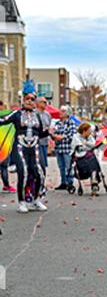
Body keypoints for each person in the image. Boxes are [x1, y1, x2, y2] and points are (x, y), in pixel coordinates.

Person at [0, 81, 48, 213]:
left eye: (33, 99)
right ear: (23, 100)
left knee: (40, 172)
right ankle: (22, 202)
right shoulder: (16, 114)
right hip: (20, 148)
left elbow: (42, 132)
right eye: (27, 98)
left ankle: (36, 200)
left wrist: (50, 132)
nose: (30, 101)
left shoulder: (38, 115)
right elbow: (3, 120)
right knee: (24, 173)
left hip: (35, 148)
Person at [71, 122, 102, 195]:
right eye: (89, 131)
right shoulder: (76, 137)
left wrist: (86, 144)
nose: (90, 132)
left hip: (89, 158)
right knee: (92, 160)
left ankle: (94, 180)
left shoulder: (90, 137)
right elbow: (79, 148)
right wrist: (89, 147)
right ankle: (94, 180)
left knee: (92, 159)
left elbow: (94, 145)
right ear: (84, 131)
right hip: (80, 159)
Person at [53, 106, 76, 191]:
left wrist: (60, 137)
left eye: (62, 111)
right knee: (61, 166)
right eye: (60, 111)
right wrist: (56, 136)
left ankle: (70, 182)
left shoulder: (71, 122)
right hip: (59, 148)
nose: (60, 112)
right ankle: (63, 182)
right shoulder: (57, 123)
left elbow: (72, 135)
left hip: (67, 148)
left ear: (67, 113)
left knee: (68, 166)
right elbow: (54, 134)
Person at [36, 97, 52, 174]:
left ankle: (42, 182)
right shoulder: (34, 114)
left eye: (46, 102)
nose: (46, 104)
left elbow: (49, 128)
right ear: (38, 103)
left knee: (44, 165)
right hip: (36, 142)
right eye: (44, 102)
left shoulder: (48, 115)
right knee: (39, 164)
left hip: (45, 142)